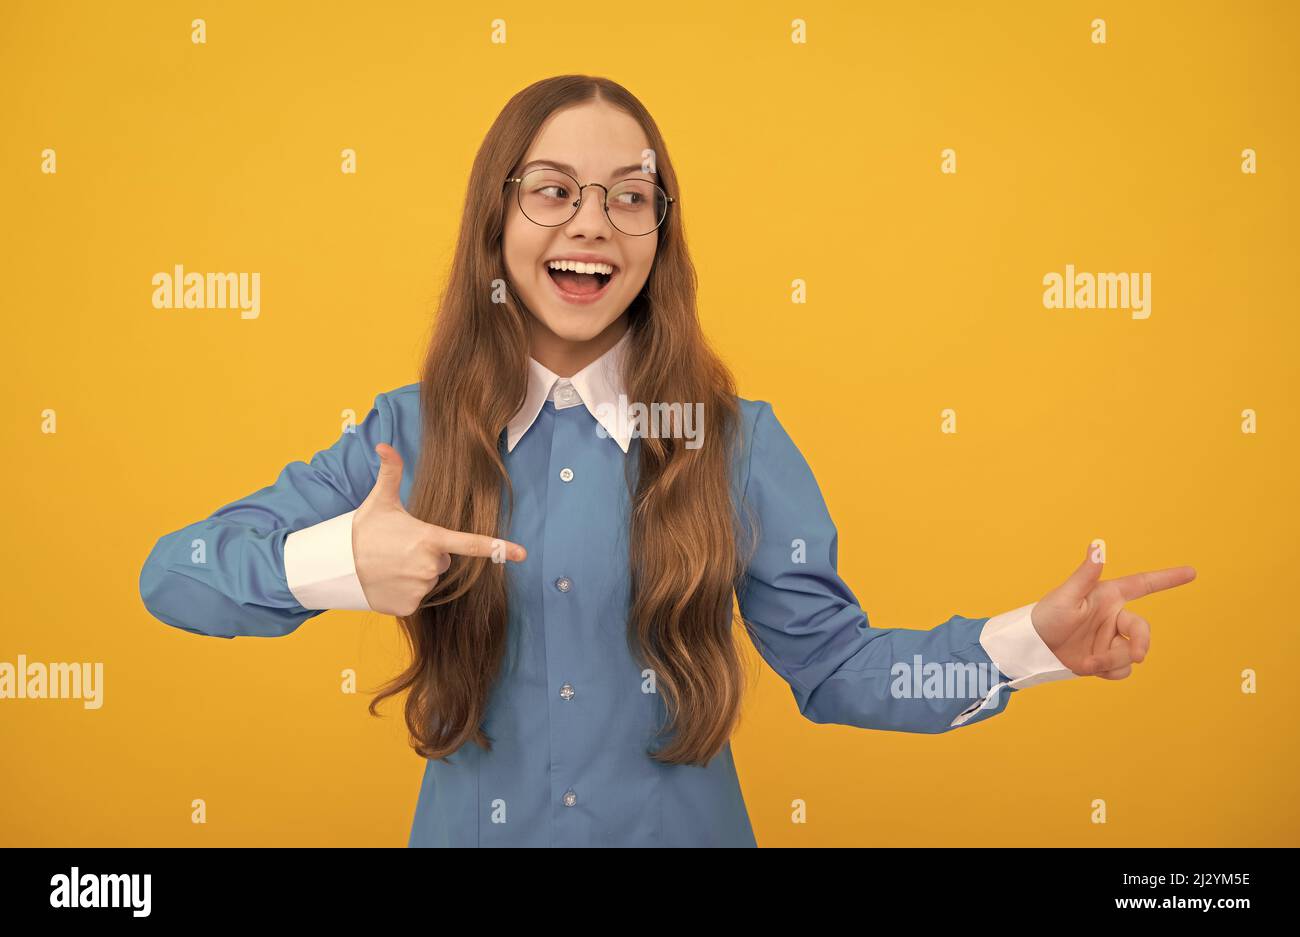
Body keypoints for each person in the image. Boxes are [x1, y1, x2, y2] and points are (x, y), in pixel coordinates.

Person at [138, 74, 1196, 847]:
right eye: (551, 190)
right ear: (495, 220)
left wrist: (1027, 646)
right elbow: (173, 574)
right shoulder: (399, 438)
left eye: (628, 195)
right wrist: (333, 565)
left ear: (657, 233)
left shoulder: (735, 444)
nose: (590, 222)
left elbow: (838, 669)